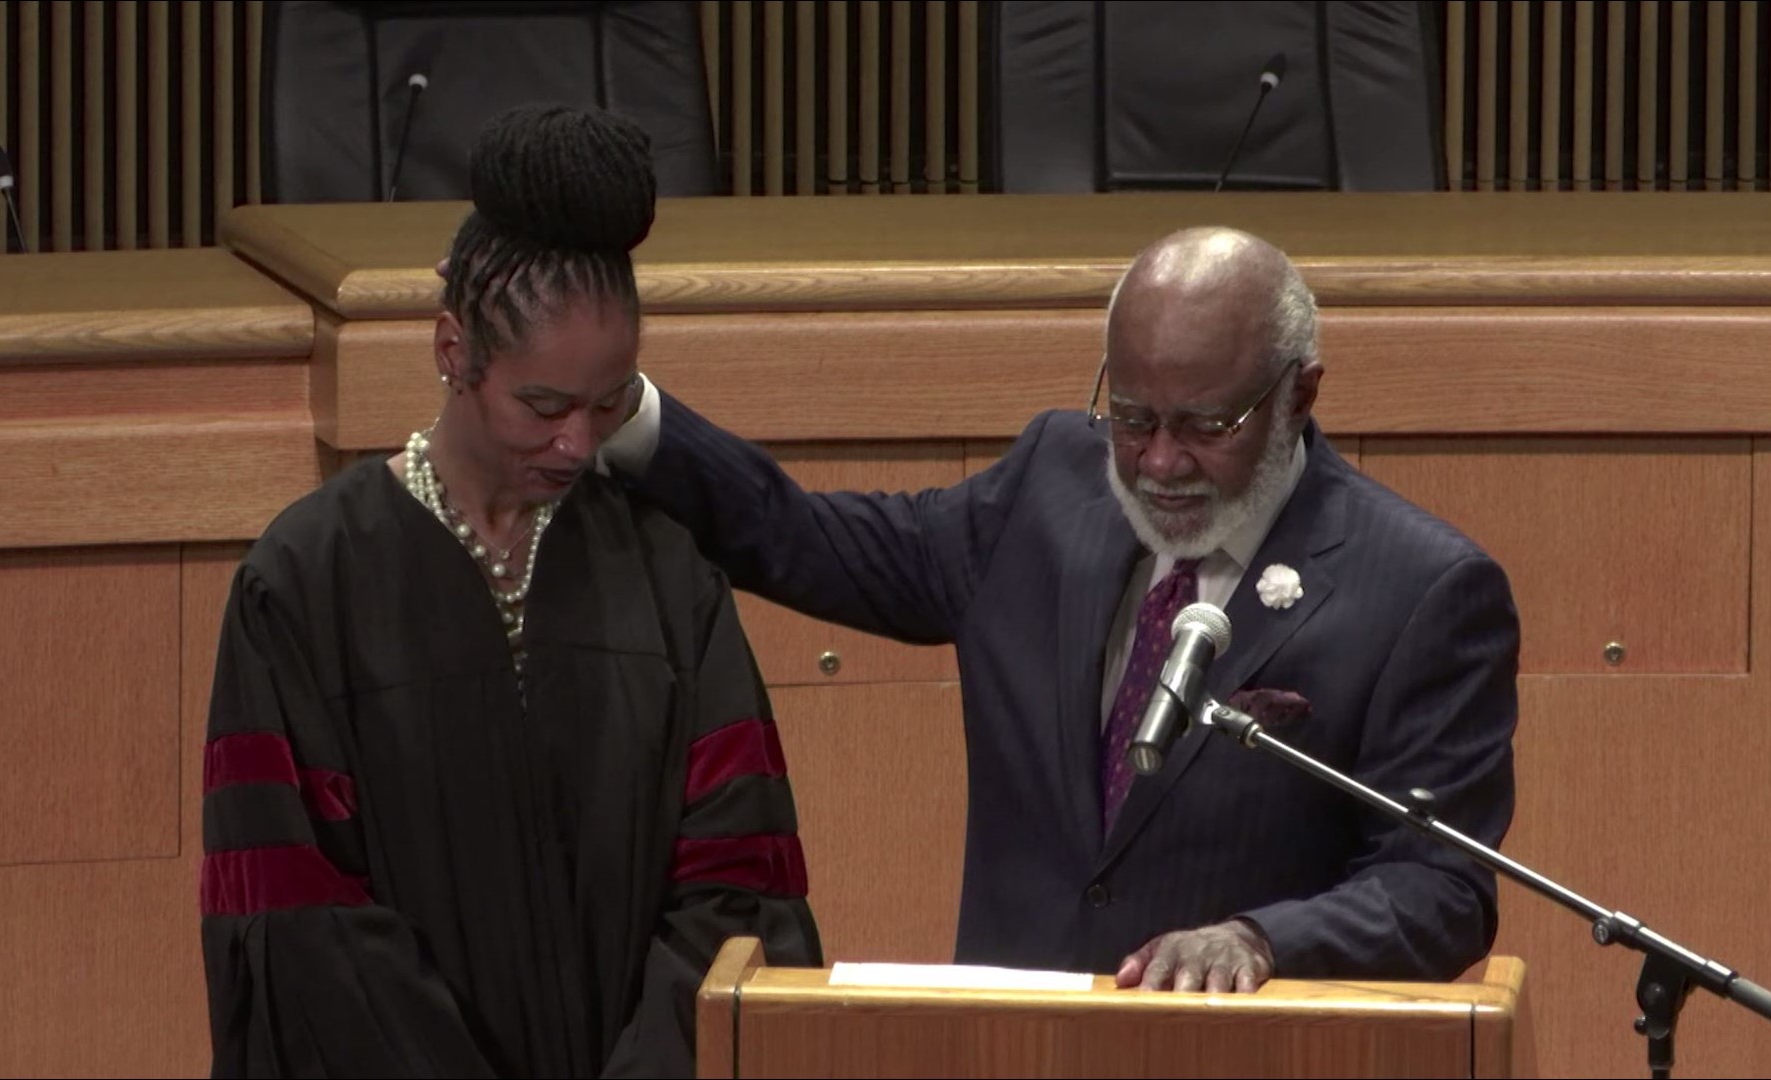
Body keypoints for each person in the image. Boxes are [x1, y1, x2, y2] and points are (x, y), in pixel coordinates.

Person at [599, 226, 1519, 994]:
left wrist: (1261, 939)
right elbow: (802, 537)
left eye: (1206, 426)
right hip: (1013, 1045)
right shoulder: (1047, 488)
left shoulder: (1418, 590)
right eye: (1131, 418)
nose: (1159, 462)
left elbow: (1439, 887)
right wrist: (623, 416)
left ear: (1299, 394)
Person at [199, 104, 822, 1079]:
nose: (579, 443)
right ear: (454, 351)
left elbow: (737, 900)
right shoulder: (307, 584)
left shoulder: (668, 580)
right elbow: (305, 932)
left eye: (608, 402)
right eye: (543, 405)